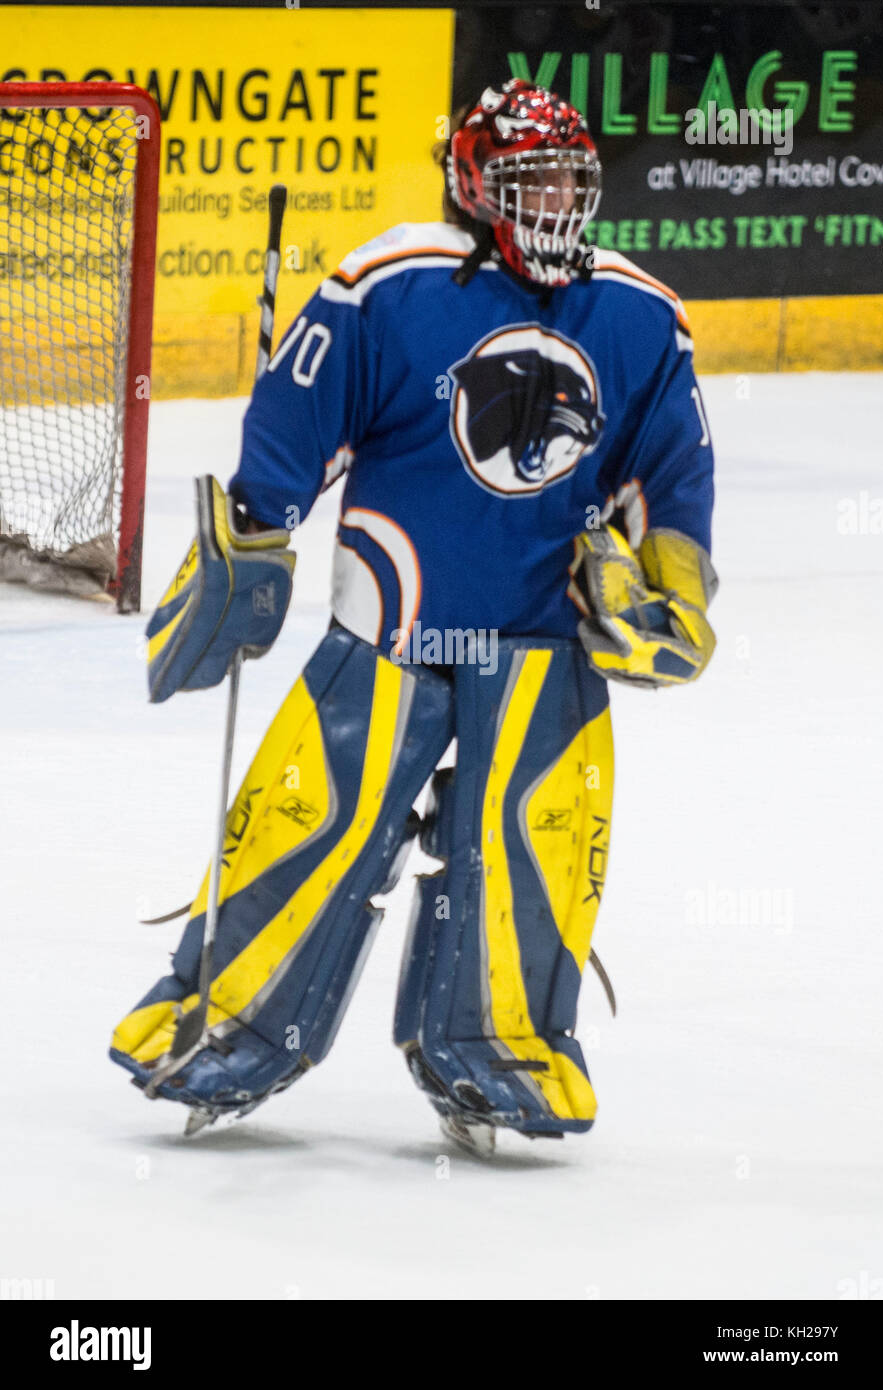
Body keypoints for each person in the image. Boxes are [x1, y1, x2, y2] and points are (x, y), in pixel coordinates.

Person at [111, 78, 717, 1155]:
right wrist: (256, 528)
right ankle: (229, 1015)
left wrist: (674, 575)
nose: (561, 202)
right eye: (537, 181)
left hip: (541, 642)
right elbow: (302, 412)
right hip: (392, 631)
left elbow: (672, 469)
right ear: (479, 184)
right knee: (311, 826)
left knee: (533, 851)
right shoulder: (388, 285)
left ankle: (502, 1042)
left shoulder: (638, 315)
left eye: (578, 180)